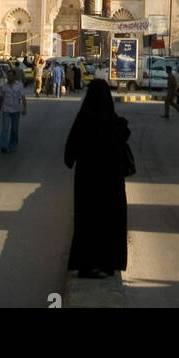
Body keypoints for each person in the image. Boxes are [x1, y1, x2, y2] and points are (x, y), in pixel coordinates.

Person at [64, 79, 131, 279]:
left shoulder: (84, 119)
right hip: (110, 184)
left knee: (88, 222)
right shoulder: (112, 122)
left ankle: (87, 264)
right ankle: (108, 263)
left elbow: (69, 155)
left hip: (87, 184)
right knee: (110, 222)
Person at [0, 69, 27, 152]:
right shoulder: (4, 87)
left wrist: (24, 108)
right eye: (8, 75)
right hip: (6, 110)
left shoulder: (19, 85)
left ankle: (12, 145)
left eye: (11, 75)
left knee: (14, 129)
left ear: (14, 76)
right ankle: (3, 145)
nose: (9, 77)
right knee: (5, 128)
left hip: (16, 110)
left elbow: (23, 97)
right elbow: (1, 99)